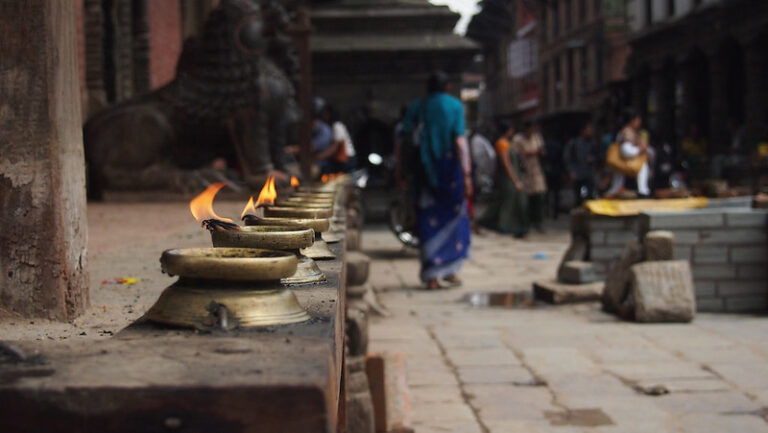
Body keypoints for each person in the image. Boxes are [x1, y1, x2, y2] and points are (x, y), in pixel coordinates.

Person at [400, 70, 472, 290]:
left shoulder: (418, 106)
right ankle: (449, 269)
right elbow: (460, 142)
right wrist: (467, 175)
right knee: (454, 217)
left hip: (424, 170)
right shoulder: (455, 106)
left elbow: (402, 139)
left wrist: (401, 171)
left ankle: (432, 276)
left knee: (427, 217)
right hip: (449, 170)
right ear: (448, 87)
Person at [479, 121, 527, 237]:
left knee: (510, 201)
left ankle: (515, 228)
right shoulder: (501, 144)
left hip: (512, 177)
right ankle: (502, 225)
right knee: (506, 202)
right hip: (507, 179)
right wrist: (515, 180)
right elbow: (506, 164)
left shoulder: (508, 143)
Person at [605, 111, 651, 197]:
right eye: (637, 120)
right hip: (623, 160)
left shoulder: (631, 131)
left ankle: (642, 191)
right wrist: (640, 149)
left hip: (625, 160)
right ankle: (643, 191)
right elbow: (625, 151)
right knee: (642, 166)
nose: (639, 122)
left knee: (617, 181)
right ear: (632, 120)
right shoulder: (627, 132)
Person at [513, 121, 547, 232]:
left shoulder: (537, 138)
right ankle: (525, 223)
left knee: (539, 196)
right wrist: (531, 152)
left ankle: (538, 222)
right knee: (526, 199)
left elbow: (542, 151)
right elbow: (517, 154)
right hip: (524, 172)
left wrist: (539, 152)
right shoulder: (518, 139)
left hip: (536, 171)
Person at [564, 122, 599, 206]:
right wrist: (571, 172)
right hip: (578, 174)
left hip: (589, 174)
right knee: (579, 197)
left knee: (589, 195)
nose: (590, 132)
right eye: (588, 130)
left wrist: (593, 159)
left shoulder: (592, 143)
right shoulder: (574, 143)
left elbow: (598, 156)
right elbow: (568, 159)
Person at [315, 105, 357, 173]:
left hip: (346, 159)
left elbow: (334, 147)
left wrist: (319, 156)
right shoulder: (332, 126)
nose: (324, 116)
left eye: (326, 114)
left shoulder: (337, 126)